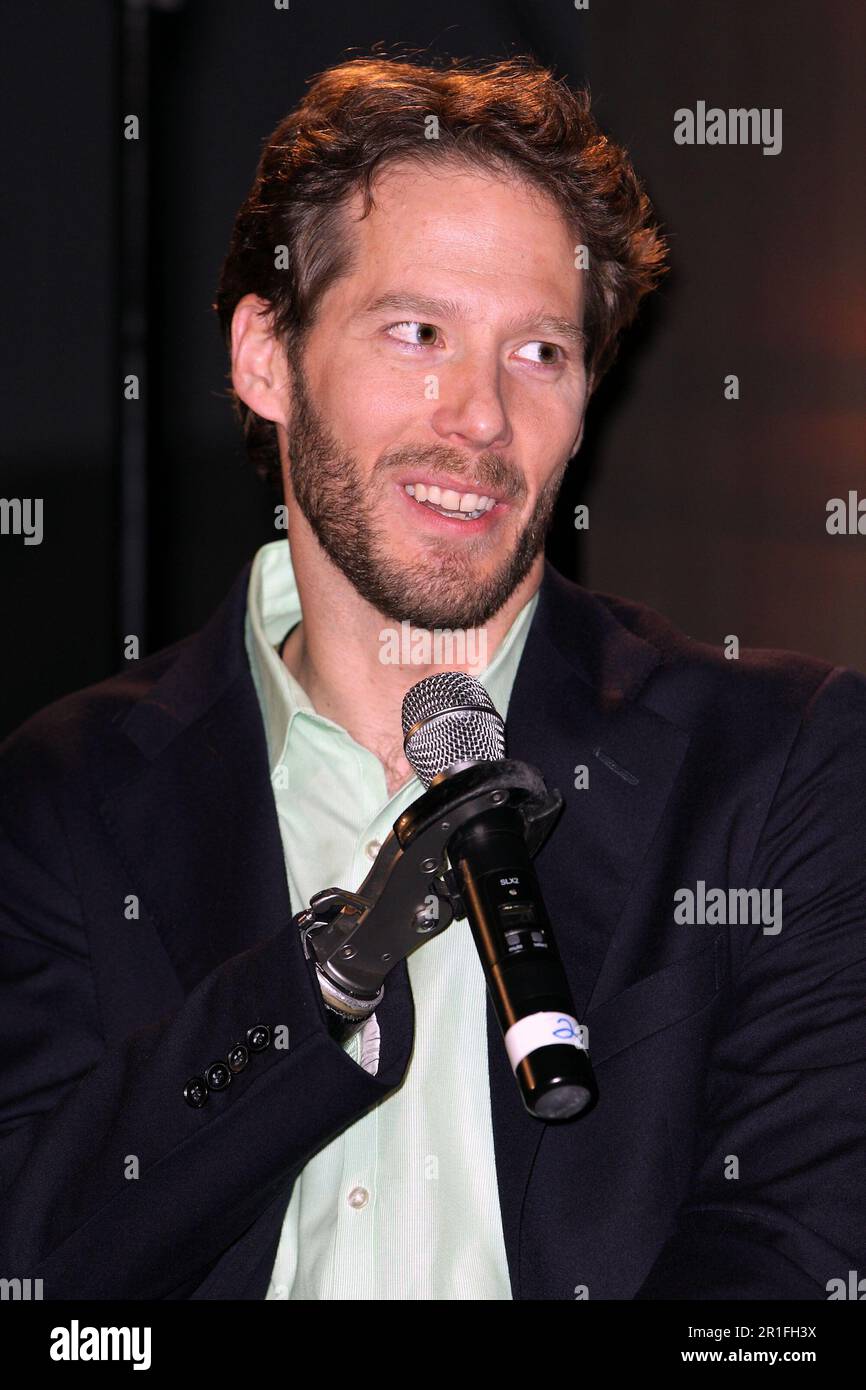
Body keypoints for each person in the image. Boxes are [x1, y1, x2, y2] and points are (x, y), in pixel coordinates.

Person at [1, 54, 864, 1302]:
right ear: (264, 355)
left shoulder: (779, 761)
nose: (478, 417)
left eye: (539, 353)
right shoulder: (59, 801)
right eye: (417, 333)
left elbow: (796, 1264)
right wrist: (330, 976)